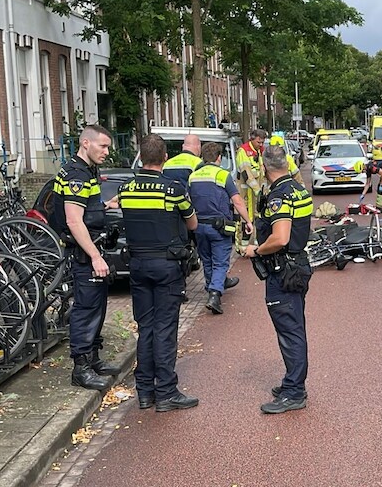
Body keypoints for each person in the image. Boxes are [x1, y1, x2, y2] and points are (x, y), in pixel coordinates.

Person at [119, 134, 200, 412]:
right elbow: (192, 224)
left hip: (138, 266)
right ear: (165, 157)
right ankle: (166, 392)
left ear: (141, 157)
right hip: (166, 266)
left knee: (146, 328)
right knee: (165, 330)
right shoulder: (173, 189)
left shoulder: (126, 189)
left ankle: (144, 391)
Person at [241, 146, 314, 415]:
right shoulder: (298, 189)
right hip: (297, 266)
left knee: (289, 331)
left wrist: (256, 250)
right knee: (294, 326)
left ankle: (295, 391)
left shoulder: (279, 196)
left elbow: (280, 238)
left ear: (264, 166)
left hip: (282, 270)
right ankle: (292, 383)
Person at [49, 124, 120, 392]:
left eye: (108, 147)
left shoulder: (87, 170)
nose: (106, 151)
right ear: (86, 143)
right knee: (86, 309)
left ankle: (92, 359)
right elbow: (73, 219)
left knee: (97, 306)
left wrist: (106, 206)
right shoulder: (77, 174)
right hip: (83, 253)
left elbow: (85, 208)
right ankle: (81, 369)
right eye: (102, 146)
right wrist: (94, 256)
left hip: (90, 248)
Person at [190, 141, 253, 314]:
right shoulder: (222, 175)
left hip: (199, 226)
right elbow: (237, 201)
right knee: (220, 262)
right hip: (219, 226)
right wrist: (248, 221)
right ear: (219, 158)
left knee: (207, 260)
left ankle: (213, 286)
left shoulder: (193, 176)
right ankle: (215, 294)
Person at [236, 129, 267, 237]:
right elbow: (246, 174)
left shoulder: (260, 151)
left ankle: (254, 246)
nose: (261, 144)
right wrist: (258, 191)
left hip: (255, 197)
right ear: (252, 139)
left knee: (256, 221)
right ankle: (242, 248)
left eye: (262, 142)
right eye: (259, 142)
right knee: (244, 223)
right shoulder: (243, 151)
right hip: (246, 195)